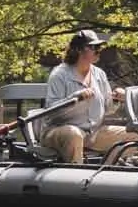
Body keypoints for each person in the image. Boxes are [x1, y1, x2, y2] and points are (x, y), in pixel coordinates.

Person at [41, 29, 132, 163]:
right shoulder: (59, 74)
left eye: (99, 47)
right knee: (74, 134)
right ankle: (76, 175)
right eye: (93, 47)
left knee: (132, 134)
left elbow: (108, 109)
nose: (98, 50)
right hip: (60, 132)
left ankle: (107, 171)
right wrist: (75, 98)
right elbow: (51, 113)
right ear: (78, 50)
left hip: (93, 133)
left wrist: (117, 99)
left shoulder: (99, 74)